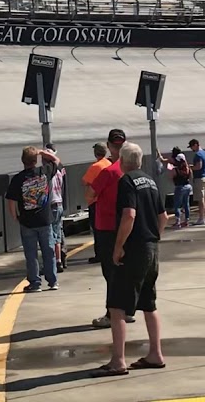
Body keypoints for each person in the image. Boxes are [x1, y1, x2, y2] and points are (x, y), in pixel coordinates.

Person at [92, 142, 167, 378]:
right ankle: (155, 353)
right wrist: (154, 238)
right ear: (141, 160)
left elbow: (129, 215)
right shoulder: (151, 181)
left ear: (122, 161)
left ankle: (118, 360)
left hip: (133, 250)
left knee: (117, 306)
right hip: (151, 248)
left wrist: (119, 247)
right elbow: (163, 216)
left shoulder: (126, 181)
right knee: (149, 302)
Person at [90, 129, 131, 327]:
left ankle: (112, 313)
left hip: (106, 226)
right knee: (126, 269)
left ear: (108, 145)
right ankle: (129, 310)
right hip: (127, 225)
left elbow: (90, 195)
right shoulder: (130, 169)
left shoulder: (107, 171)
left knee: (111, 273)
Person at [5, 146, 58, 292]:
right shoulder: (45, 172)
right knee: (48, 251)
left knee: (31, 253)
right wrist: (43, 152)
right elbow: (57, 160)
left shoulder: (18, 179)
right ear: (36, 160)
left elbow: (11, 200)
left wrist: (14, 216)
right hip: (45, 220)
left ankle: (35, 283)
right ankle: (52, 281)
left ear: (23, 160)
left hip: (27, 221)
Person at [82, 142, 112, 264]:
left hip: (95, 201)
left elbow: (84, 182)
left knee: (97, 229)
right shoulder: (109, 163)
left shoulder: (95, 166)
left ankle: (99, 254)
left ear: (95, 153)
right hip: (108, 200)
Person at [47, 151, 68, 272]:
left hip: (52, 205)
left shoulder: (50, 174)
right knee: (58, 234)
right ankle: (59, 260)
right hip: (59, 203)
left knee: (51, 236)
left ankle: (54, 261)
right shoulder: (60, 171)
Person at [188, 138, 205, 225]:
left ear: (195, 145)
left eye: (192, 147)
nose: (191, 149)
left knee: (201, 199)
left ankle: (201, 218)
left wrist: (190, 167)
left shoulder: (198, 155)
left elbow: (198, 166)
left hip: (199, 178)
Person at [167, 147, 192, 228]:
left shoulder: (175, 169)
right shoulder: (187, 168)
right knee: (186, 204)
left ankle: (178, 221)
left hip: (179, 187)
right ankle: (186, 220)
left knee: (177, 205)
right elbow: (190, 175)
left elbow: (170, 177)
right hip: (188, 186)